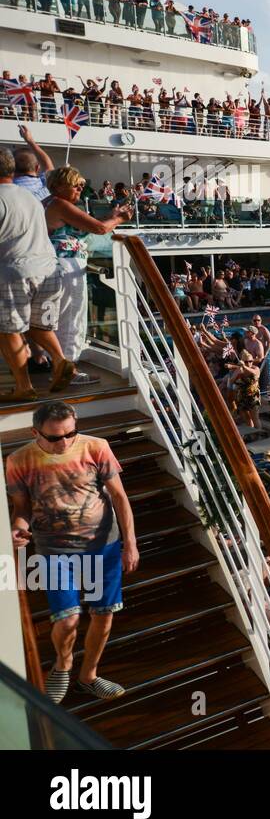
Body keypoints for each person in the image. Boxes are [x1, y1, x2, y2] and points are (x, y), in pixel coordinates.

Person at [7, 401, 137, 703]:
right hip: (53, 549)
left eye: (70, 434)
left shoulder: (96, 447)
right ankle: (63, 665)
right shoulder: (19, 460)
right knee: (67, 619)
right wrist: (17, 529)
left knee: (103, 615)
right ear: (35, 432)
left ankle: (88, 676)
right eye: (54, 438)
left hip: (103, 546)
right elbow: (22, 508)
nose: (63, 443)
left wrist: (130, 542)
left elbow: (119, 496)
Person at [41, 166, 135, 387]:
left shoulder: (49, 203)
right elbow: (100, 229)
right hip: (66, 269)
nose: (80, 188)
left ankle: (60, 367)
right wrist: (119, 219)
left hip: (57, 267)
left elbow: (87, 226)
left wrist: (111, 216)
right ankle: (69, 371)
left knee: (61, 320)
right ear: (58, 186)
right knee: (71, 319)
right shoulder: (60, 204)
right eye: (76, 184)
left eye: (82, 184)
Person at [0, 149, 73, 400]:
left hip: (13, 271)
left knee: (8, 330)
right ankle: (61, 360)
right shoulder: (33, 196)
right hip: (48, 267)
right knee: (37, 325)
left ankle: (24, 387)